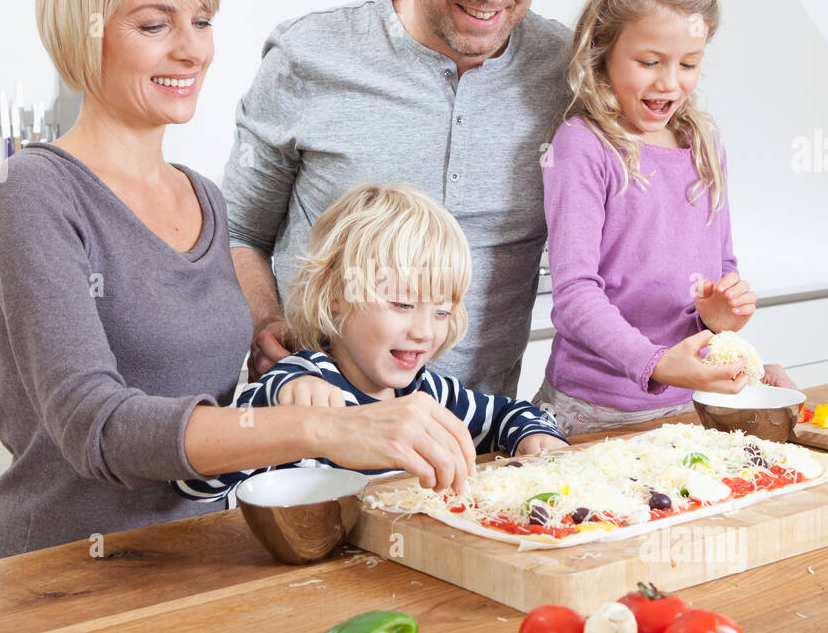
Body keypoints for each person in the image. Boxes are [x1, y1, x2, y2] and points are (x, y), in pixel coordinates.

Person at [0, 0, 474, 564]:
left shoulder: (204, 197)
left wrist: (278, 361)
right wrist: (327, 425)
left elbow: (203, 400)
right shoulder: (29, 190)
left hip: (203, 558)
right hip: (58, 579)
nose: (192, 49)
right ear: (82, 34)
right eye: (154, 25)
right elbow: (97, 427)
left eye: (202, 20)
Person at [222, 0, 571, 400]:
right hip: (319, 434)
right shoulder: (310, 57)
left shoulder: (567, 73)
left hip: (481, 440)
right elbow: (234, 231)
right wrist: (262, 321)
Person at [533, 0, 792, 437]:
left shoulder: (705, 145)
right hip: (591, 411)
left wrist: (720, 313)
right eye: (650, 61)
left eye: (689, 64)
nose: (669, 84)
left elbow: (723, 271)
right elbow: (575, 295)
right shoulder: (582, 146)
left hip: (687, 407)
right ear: (602, 47)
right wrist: (656, 363)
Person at [174, 183, 569, 503]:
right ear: (335, 293)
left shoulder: (427, 393)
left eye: (442, 311)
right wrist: (287, 411)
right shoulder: (300, 380)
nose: (423, 331)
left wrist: (535, 436)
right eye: (402, 303)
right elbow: (196, 486)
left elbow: (507, 416)